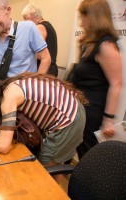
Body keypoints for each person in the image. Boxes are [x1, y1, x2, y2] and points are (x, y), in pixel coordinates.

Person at [0, 73, 87, 167]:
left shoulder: (9, 97)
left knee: (44, 168)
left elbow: (4, 146)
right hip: (73, 110)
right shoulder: (9, 88)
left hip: (69, 119)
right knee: (55, 164)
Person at [72, 0, 122, 159]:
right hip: (81, 107)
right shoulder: (89, 44)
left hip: (93, 110)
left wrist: (108, 120)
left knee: (87, 153)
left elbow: (116, 84)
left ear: (94, 17)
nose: (81, 22)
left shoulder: (106, 44)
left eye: (83, 17)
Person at [0, 0, 51, 77]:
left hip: (25, 87)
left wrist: (36, 83)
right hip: (3, 86)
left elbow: (46, 58)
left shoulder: (28, 28)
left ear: (8, 10)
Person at [22, 3, 58, 77]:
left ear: (32, 15)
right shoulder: (48, 25)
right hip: (51, 68)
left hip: (44, 69)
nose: (25, 22)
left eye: (26, 18)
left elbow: (38, 54)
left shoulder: (39, 27)